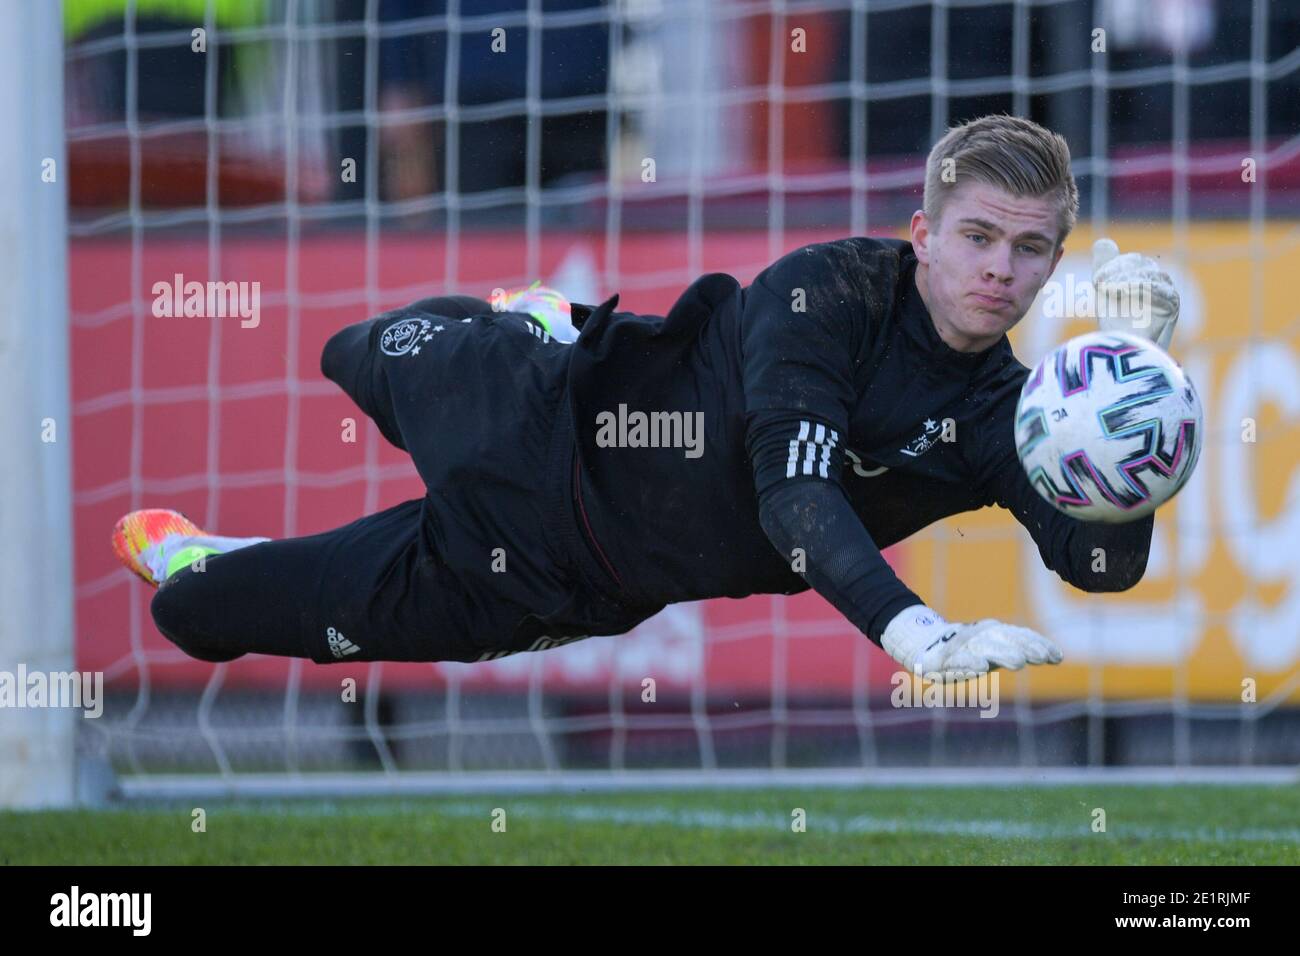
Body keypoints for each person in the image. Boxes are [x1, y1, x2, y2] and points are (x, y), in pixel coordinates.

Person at [113, 114, 1180, 681]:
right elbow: (791, 496)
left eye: (1030, 247)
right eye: (979, 235)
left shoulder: (1011, 416)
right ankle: (550, 322)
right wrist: (911, 630)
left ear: (1053, 265)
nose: (1000, 267)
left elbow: (1099, 563)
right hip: (542, 420)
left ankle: (216, 562)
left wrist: (1137, 409)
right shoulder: (830, 290)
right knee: (361, 348)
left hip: (564, 579)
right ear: (924, 233)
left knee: (202, 611)